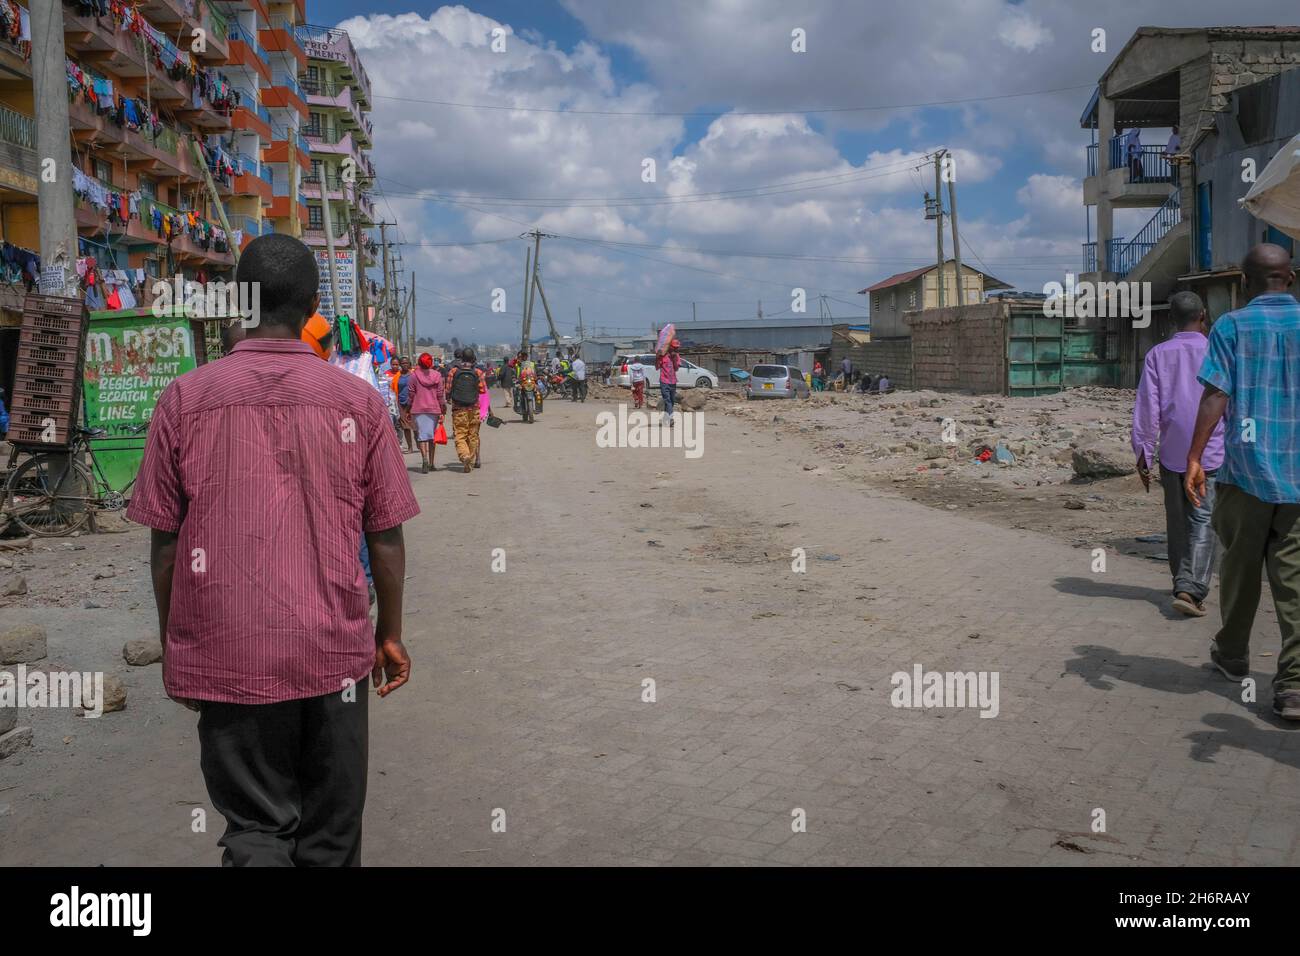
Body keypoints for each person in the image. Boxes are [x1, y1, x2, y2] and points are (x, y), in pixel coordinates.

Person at [125, 234, 419, 866]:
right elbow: (386, 538)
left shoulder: (184, 399)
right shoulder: (358, 402)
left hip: (228, 653)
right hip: (333, 656)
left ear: (240, 300)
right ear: (313, 306)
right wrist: (389, 633)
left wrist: (177, 640)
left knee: (257, 832)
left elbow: (166, 545)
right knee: (331, 838)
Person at [1187, 243, 1300, 719]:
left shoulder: (1232, 325)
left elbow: (1216, 395)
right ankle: (1293, 687)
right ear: (1290, 279)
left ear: (1245, 284)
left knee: (1239, 567)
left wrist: (1194, 456)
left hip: (1245, 473)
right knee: (1293, 578)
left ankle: (1233, 655)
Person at [1132, 291, 1224, 617]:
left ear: (1171, 319)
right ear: (1203, 315)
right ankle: (1190, 589)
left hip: (1172, 455)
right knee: (1202, 520)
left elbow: (1147, 408)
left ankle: (1182, 583)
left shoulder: (1157, 354)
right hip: (1210, 453)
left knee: (1177, 523)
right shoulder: (1217, 349)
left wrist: (1144, 454)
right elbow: (1228, 402)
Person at [446, 346, 487, 472]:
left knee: (460, 435)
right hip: (474, 408)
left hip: (458, 408)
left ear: (461, 358)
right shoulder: (478, 373)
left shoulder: (453, 372)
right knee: (473, 435)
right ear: (473, 358)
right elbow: (482, 390)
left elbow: (448, 390)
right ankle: (470, 460)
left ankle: (465, 456)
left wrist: (448, 398)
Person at [408, 352, 444, 473]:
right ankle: (432, 463)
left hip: (418, 409)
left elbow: (411, 394)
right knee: (431, 437)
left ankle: (424, 459)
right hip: (434, 409)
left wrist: (409, 407)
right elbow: (440, 394)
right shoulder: (437, 375)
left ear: (419, 362)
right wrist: (443, 407)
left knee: (422, 436)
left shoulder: (413, 376)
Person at [657, 338, 681, 426]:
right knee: (667, 400)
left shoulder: (677, 356)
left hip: (673, 381)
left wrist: (674, 359)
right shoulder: (663, 356)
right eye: (674, 348)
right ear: (670, 347)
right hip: (664, 381)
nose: (676, 349)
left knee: (671, 401)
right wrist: (657, 358)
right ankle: (671, 418)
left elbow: (676, 369)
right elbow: (657, 367)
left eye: (677, 348)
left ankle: (665, 419)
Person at [395, 357, 416, 454]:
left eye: (406, 363)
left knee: (415, 426)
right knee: (406, 427)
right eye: (402, 363)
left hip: (413, 403)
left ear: (409, 364)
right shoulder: (397, 376)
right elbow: (394, 389)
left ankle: (420, 444)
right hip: (401, 403)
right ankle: (410, 447)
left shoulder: (413, 375)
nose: (404, 365)